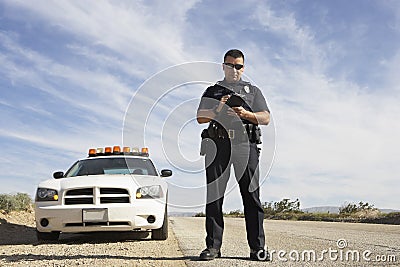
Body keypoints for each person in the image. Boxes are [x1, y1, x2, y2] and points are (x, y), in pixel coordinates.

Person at [196, 49, 270, 261]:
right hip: (218, 146)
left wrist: (246, 114)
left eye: (238, 66)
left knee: (251, 197)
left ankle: (258, 249)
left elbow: (266, 118)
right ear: (223, 66)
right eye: (230, 65)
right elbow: (200, 117)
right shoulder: (213, 90)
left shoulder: (252, 91)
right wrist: (219, 107)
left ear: (243, 68)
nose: (234, 69)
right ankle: (213, 248)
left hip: (245, 145)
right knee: (215, 197)